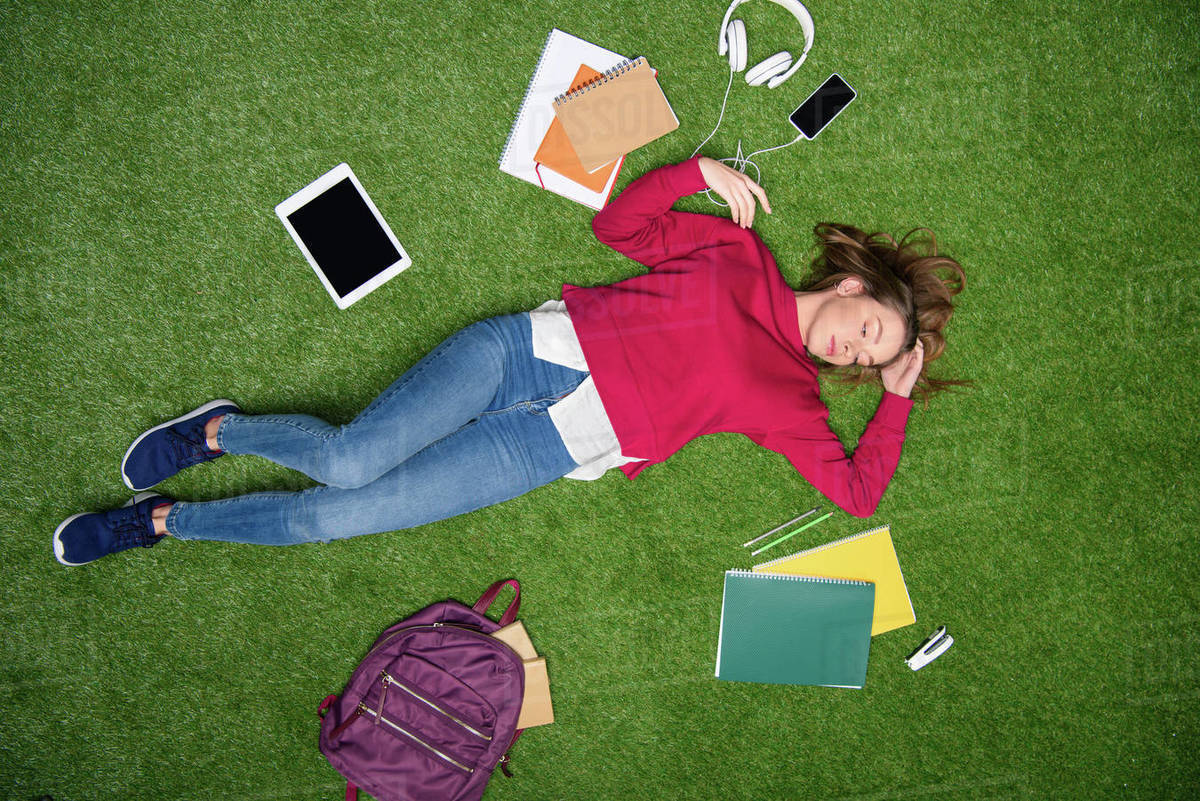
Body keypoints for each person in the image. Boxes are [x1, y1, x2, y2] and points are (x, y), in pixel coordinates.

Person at [52, 156, 965, 566]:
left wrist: (895, 400)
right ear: (850, 287)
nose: (851, 351)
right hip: (524, 356)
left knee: (330, 525)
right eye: (868, 331)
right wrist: (695, 175)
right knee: (346, 459)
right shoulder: (739, 257)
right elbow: (618, 225)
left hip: (547, 448)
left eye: (866, 356)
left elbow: (854, 493)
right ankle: (217, 430)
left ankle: (164, 525)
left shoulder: (792, 402)